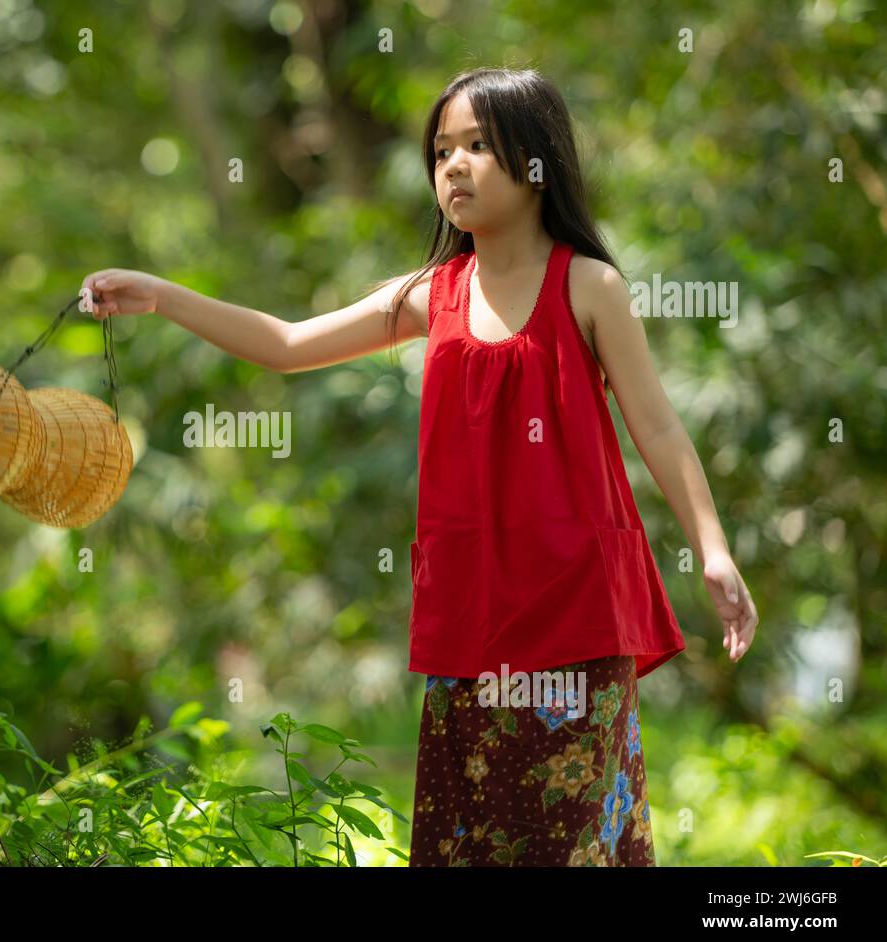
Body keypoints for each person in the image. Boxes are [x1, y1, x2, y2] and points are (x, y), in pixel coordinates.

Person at [78, 66, 759, 867]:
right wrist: (163, 294)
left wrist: (712, 550)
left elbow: (659, 426)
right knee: (467, 840)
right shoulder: (429, 295)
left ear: (537, 161)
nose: (454, 166)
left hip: (577, 612)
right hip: (469, 616)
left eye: (478, 145)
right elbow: (287, 344)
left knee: (569, 841)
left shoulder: (589, 286)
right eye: (442, 151)